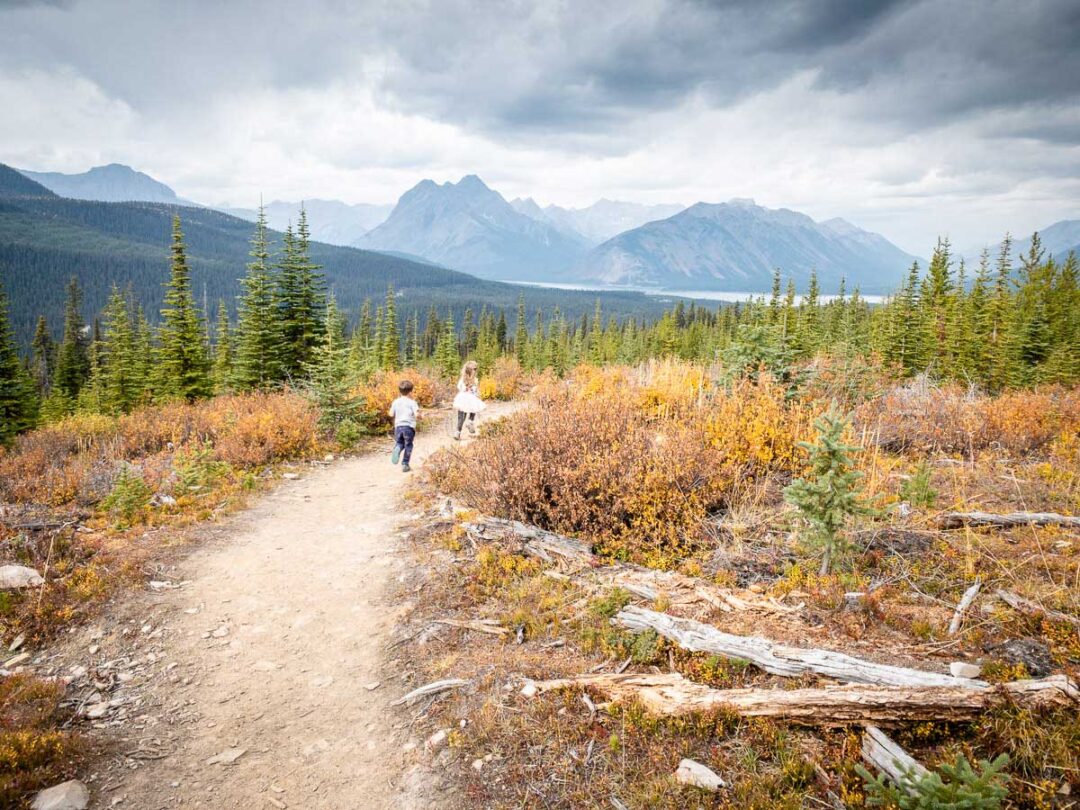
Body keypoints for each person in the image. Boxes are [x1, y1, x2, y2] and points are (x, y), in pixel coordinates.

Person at [389, 379, 419, 472]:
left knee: (399, 443)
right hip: (408, 427)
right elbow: (417, 415)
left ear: (400, 391)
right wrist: (421, 415)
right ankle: (405, 464)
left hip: (398, 427)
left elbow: (391, 414)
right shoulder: (412, 402)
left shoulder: (395, 402)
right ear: (410, 392)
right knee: (408, 445)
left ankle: (397, 448)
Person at [453, 360, 486, 440]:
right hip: (464, 397)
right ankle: (458, 432)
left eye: (476, 369)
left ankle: (470, 422)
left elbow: (476, 390)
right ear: (470, 370)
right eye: (474, 369)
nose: (475, 371)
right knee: (461, 416)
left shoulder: (475, 380)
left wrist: (477, 393)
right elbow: (459, 387)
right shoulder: (463, 379)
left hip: (471, 397)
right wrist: (466, 388)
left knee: (474, 408)